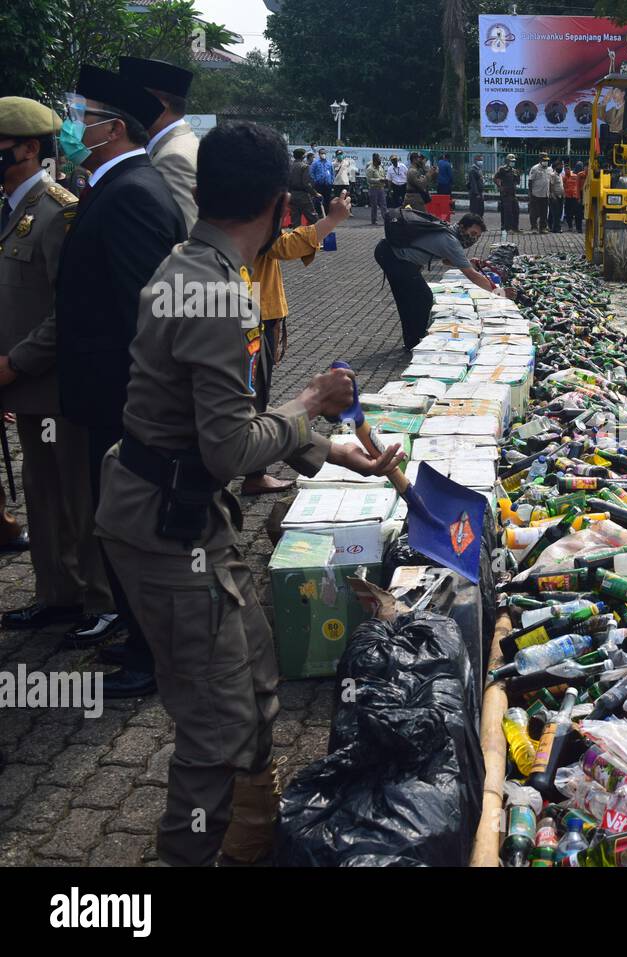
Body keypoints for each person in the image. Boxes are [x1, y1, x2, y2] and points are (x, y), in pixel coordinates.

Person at [97, 121, 402, 867]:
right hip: (166, 525)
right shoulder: (215, 294)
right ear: (279, 204)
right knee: (215, 724)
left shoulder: (191, 264)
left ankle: (251, 833)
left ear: (201, 193)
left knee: (257, 663)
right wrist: (311, 401)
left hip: (186, 512)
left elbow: (224, 424)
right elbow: (229, 446)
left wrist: (329, 448)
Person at [53, 64, 187, 694]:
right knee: (117, 525)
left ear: (112, 128)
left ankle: (149, 655)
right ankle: (138, 638)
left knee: (129, 528)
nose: (74, 127)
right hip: (103, 392)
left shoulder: (133, 191)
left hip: (121, 398)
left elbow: (149, 310)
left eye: (83, 116)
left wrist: (145, 406)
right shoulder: (118, 185)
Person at [0, 97, 114, 643]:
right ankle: (56, 594)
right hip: (23, 386)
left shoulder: (58, 212)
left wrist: (15, 362)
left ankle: (100, 599)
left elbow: (66, 310)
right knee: (40, 491)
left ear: (27, 148)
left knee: (75, 493)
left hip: (55, 383)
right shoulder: (9, 210)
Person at [242, 190, 354, 496]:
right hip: (252, 312)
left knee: (256, 395)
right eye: (281, 192)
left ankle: (259, 469)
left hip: (254, 309)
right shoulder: (249, 219)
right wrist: (331, 220)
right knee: (255, 397)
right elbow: (285, 246)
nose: (289, 198)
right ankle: (256, 472)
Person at [374, 212, 513, 349]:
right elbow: (472, 275)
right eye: (472, 233)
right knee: (423, 298)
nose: (473, 239)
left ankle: (412, 339)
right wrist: (497, 291)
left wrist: (469, 262)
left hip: (391, 253)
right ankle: (415, 340)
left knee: (409, 298)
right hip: (393, 257)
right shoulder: (450, 240)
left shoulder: (448, 230)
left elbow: (447, 260)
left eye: (477, 236)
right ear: (462, 227)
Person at [118, 57, 198, 232]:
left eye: (133, 98)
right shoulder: (174, 144)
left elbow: (185, 232)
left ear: (160, 104)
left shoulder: (173, 157)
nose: (125, 108)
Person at [287, 147, 317, 225]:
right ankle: (311, 236)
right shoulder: (304, 166)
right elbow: (306, 184)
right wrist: (315, 194)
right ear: (303, 156)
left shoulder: (290, 166)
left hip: (292, 195)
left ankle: (297, 236)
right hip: (303, 196)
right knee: (313, 218)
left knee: (295, 220)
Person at [495, 154, 520, 231]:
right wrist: (500, 187)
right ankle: (506, 228)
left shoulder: (514, 170)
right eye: (511, 161)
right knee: (507, 211)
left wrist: (518, 175)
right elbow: (496, 178)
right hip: (505, 194)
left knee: (516, 210)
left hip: (513, 194)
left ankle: (515, 227)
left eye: (514, 161)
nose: (513, 162)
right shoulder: (502, 169)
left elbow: (517, 182)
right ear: (508, 161)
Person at [528, 152, 552, 232]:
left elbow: (550, 182)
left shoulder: (549, 169)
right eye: (544, 160)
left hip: (545, 194)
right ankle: (534, 227)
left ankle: (543, 227)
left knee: (544, 213)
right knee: (534, 212)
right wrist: (530, 193)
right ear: (540, 159)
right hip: (536, 194)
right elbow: (530, 181)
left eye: (547, 160)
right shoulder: (535, 168)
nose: (546, 162)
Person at [309, 147, 333, 218]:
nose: (323, 154)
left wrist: (331, 181)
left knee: (327, 199)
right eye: (322, 153)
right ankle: (319, 213)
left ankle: (327, 213)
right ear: (319, 154)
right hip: (319, 184)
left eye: (324, 153)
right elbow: (311, 173)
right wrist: (315, 180)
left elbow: (332, 173)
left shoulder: (329, 163)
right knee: (318, 199)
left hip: (327, 184)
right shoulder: (315, 163)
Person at [365, 152, 387, 224]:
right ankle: (374, 220)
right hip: (373, 189)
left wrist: (384, 179)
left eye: (379, 158)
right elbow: (369, 180)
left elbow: (383, 175)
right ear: (374, 160)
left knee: (383, 205)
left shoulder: (381, 167)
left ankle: (386, 220)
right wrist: (379, 180)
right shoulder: (370, 169)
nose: (379, 160)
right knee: (374, 206)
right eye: (378, 159)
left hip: (381, 188)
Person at [563, 160, 581, 230]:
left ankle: (577, 227)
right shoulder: (564, 178)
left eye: (568, 169)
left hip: (574, 197)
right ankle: (570, 226)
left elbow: (578, 186)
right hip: (568, 197)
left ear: (570, 169)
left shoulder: (575, 176)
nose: (567, 170)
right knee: (568, 213)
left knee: (576, 213)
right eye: (565, 169)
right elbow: (563, 187)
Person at [548, 158, 565, 233]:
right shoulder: (553, 175)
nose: (561, 167)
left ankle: (551, 226)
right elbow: (551, 185)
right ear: (555, 167)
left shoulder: (560, 175)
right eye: (560, 166)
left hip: (560, 196)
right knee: (556, 213)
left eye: (562, 166)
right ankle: (556, 228)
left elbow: (561, 185)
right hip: (554, 197)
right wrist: (552, 195)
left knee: (558, 212)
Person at [574, 162, 587, 231]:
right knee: (578, 213)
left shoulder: (591, 175)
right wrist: (578, 197)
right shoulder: (580, 174)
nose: (587, 168)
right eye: (586, 167)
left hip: (587, 194)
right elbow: (577, 186)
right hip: (581, 194)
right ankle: (579, 228)